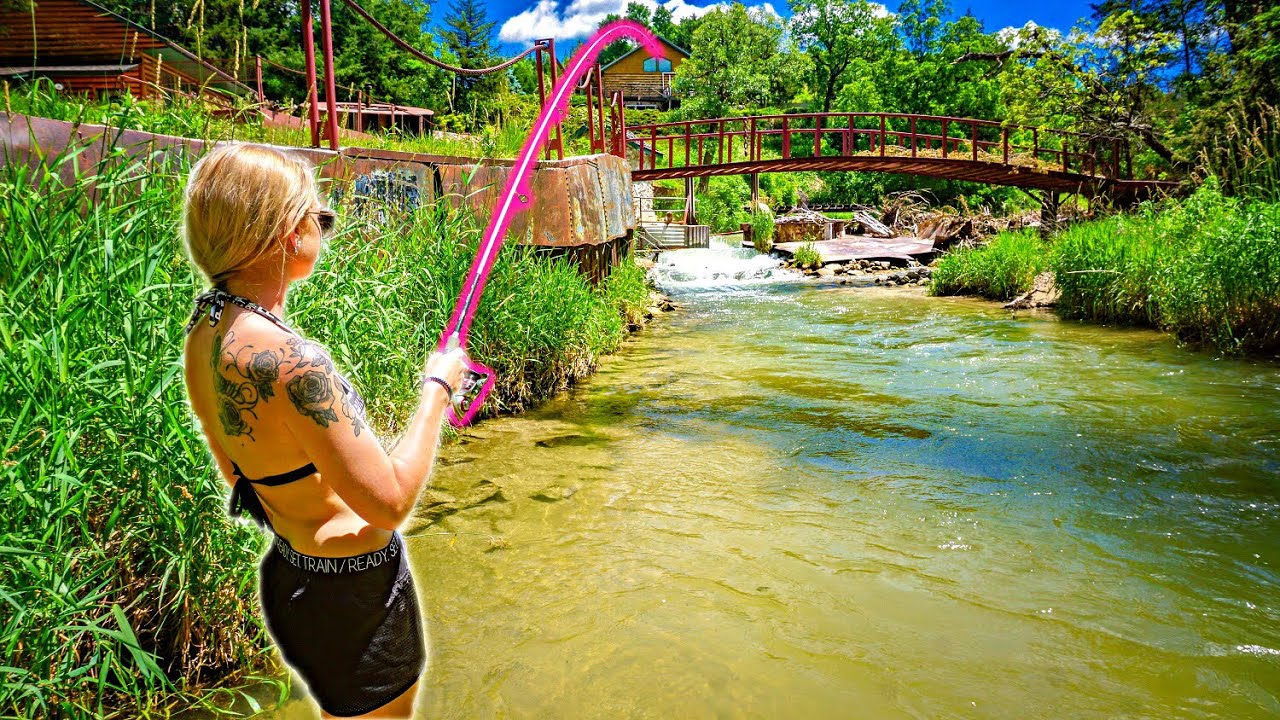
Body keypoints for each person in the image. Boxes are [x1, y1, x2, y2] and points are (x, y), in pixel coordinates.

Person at [180, 143, 468, 718]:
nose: (323, 228)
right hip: (356, 598)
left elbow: (233, 469)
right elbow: (390, 504)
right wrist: (437, 388)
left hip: (290, 578)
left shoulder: (205, 331)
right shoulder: (295, 361)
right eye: (319, 216)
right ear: (288, 233)